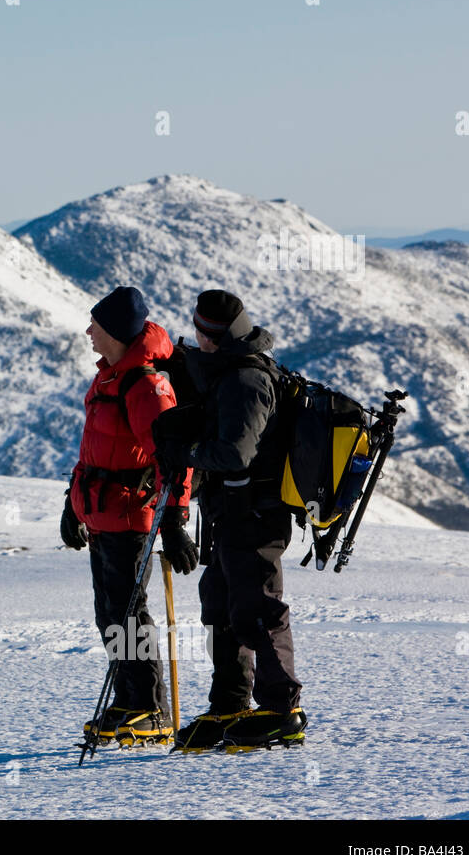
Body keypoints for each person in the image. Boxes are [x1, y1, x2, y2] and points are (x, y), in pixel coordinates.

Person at [153, 289, 307, 752]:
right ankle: (231, 705)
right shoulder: (229, 371)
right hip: (233, 515)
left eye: (199, 333)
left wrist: (186, 452)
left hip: (256, 516)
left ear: (213, 335)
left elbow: (235, 453)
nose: (195, 339)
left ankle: (283, 712)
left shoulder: (245, 380)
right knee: (221, 604)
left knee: (258, 610)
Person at [61, 286, 198, 747]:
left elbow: (173, 457)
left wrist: (176, 522)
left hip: (130, 516)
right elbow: (94, 448)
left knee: (127, 615)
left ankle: (149, 709)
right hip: (102, 515)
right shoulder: (109, 378)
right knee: (110, 614)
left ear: (116, 332)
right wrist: (72, 503)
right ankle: (130, 700)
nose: (88, 332)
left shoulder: (144, 385)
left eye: (95, 325)